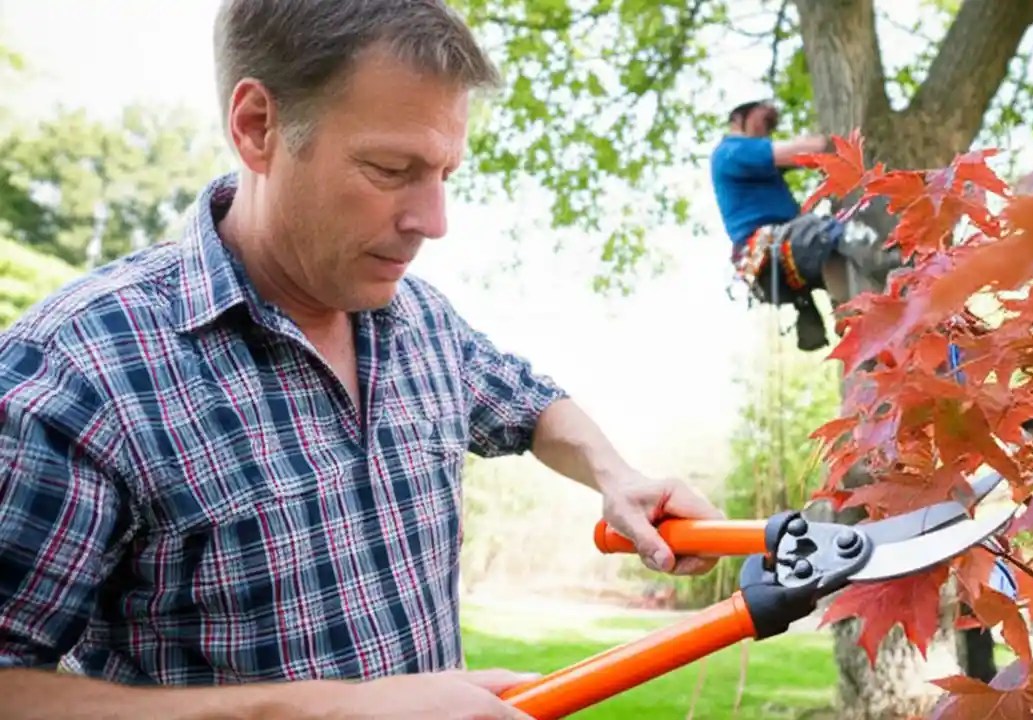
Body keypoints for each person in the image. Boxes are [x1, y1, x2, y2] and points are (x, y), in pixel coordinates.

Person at [0, 2, 723, 718]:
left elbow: (528, 402)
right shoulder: (78, 372)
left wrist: (615, 475)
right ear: (257, 128)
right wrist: (324, 710)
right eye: (390, 168)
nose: (433, 222)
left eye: (445, 173)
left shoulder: (422, 320)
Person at [709, 100, 900, 351]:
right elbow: (812, 148)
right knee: (828, 231)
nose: (768, 131)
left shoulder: (748, 163)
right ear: (739, 118)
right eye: (765, 120)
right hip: (768, 245)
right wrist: (827, 142)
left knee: (837, 260)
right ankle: (886, 259)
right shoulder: (732, 150)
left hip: (786, 254)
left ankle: (862, 325)